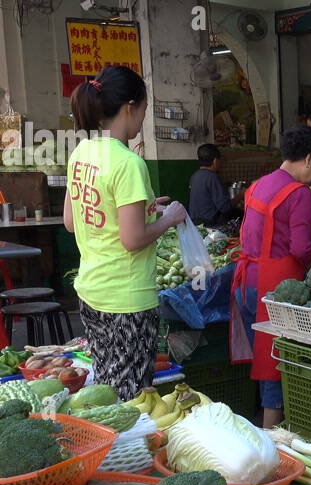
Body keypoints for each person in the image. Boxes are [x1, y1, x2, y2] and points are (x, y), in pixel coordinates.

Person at [65, 66, 186, 400]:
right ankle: (126, 452)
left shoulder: (81, 153)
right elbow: (131, 240)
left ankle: (103, 449)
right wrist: (170, 218)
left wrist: (145, 209)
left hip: (91, 292)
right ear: (130, 107)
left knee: (105, 388)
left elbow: (72, 221)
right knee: (132, 398)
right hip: (127, 299)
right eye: (144, 111)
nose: (141, 121)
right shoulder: (128, 163)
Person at [230, 125, 311, 429]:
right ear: (308, 159)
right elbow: (301, 248)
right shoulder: (298, 193)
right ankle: (272, 438)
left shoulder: (259, 184)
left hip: (246, 281)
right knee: (275, 363)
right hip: (275, 287)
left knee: (263, 358)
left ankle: (264, 428)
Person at [188, 143, 241, 226]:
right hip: (210, 223)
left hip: (195, 222)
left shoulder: (195, 176)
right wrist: (242, 194)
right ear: (215, 161)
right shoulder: (212, 177)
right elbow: (225, 207)